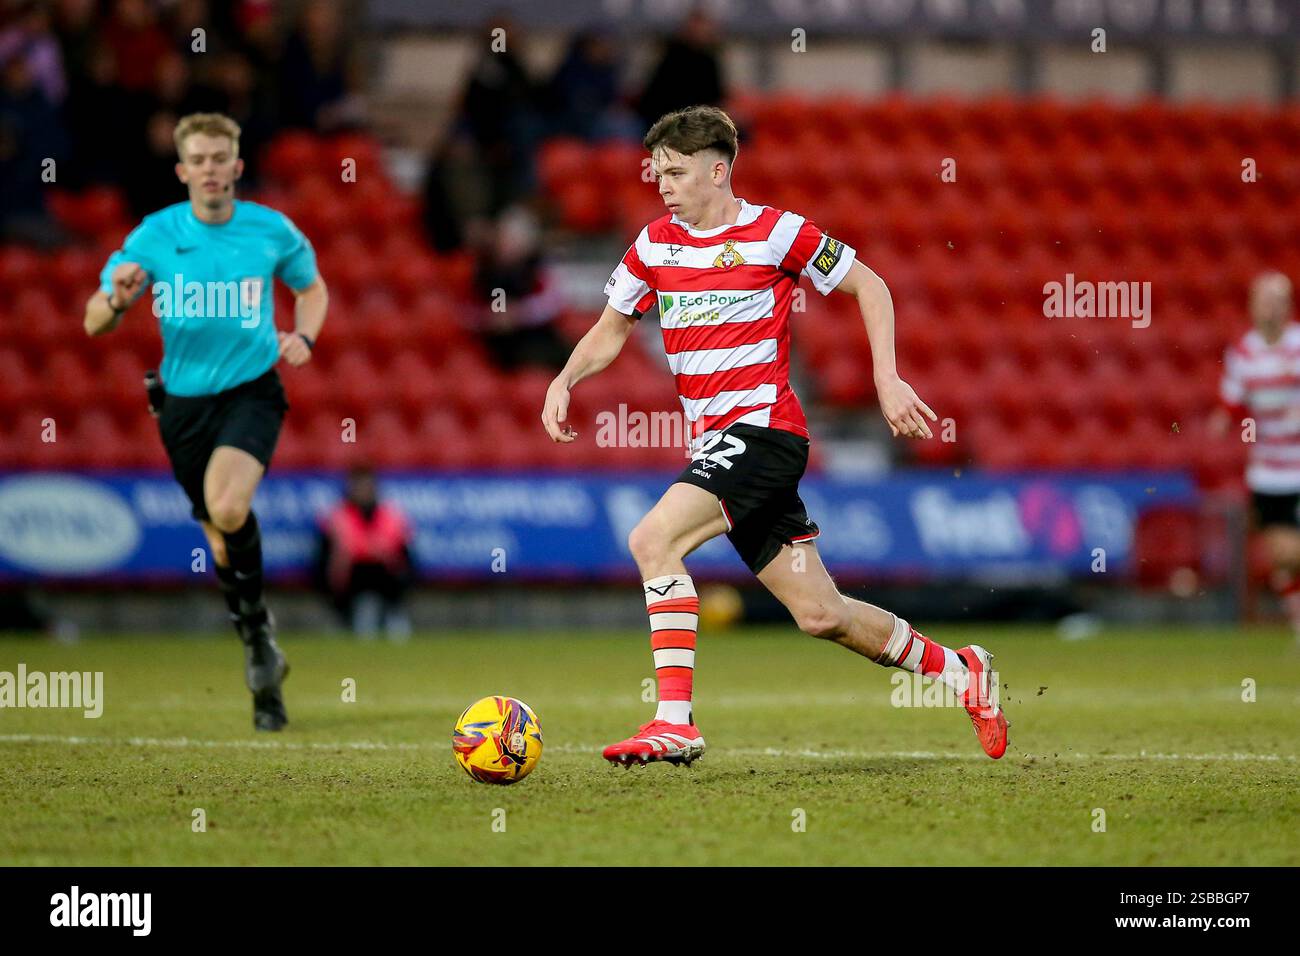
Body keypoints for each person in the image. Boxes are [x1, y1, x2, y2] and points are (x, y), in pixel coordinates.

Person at [541, 105, 1008, 766]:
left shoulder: (775, 232)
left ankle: (675, 719)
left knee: (652, 539)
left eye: (674, 172)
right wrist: (566, 377)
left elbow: (869, 285)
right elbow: (613, 327)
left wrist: (886, 378)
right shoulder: (653, 245)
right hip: (719, 449)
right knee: (822, 614)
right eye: (657, 173)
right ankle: (963, 673)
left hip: (762, 433)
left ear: (717, 168)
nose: (663, 184)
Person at [83, 112, 329, 731]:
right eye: (200, 159)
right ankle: (260, 650)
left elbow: (313, 288)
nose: (212, 169)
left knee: (225, 507)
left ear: (237, 166)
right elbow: (93, 321)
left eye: (222, 157)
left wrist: (303, 334)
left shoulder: (270, 231)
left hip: (251, 392)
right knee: (220, 537)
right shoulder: (155, 236)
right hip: (182, 406)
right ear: (183, 170)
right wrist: (116, 298)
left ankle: (258, 649)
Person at [1212, 272, 1300, 637]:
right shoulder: (1243, 353)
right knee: (1284, 556)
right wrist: (1219, 422)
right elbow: (1232, 404)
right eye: (1264, 299)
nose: (1270, 307)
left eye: (1277, 300)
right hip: (1269, 470)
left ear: (1288, 305)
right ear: (1252, 305)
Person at [314, 466, 415, 640]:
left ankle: (392, 616)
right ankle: (351, 618)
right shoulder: (338, 516)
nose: (363, 490)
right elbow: (325, 556)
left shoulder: (390, 515)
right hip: (351, 577)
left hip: (385, 575)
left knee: (390, 572)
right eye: (358, 486)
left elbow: (405, 554)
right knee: (357, 572)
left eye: (367, 485)